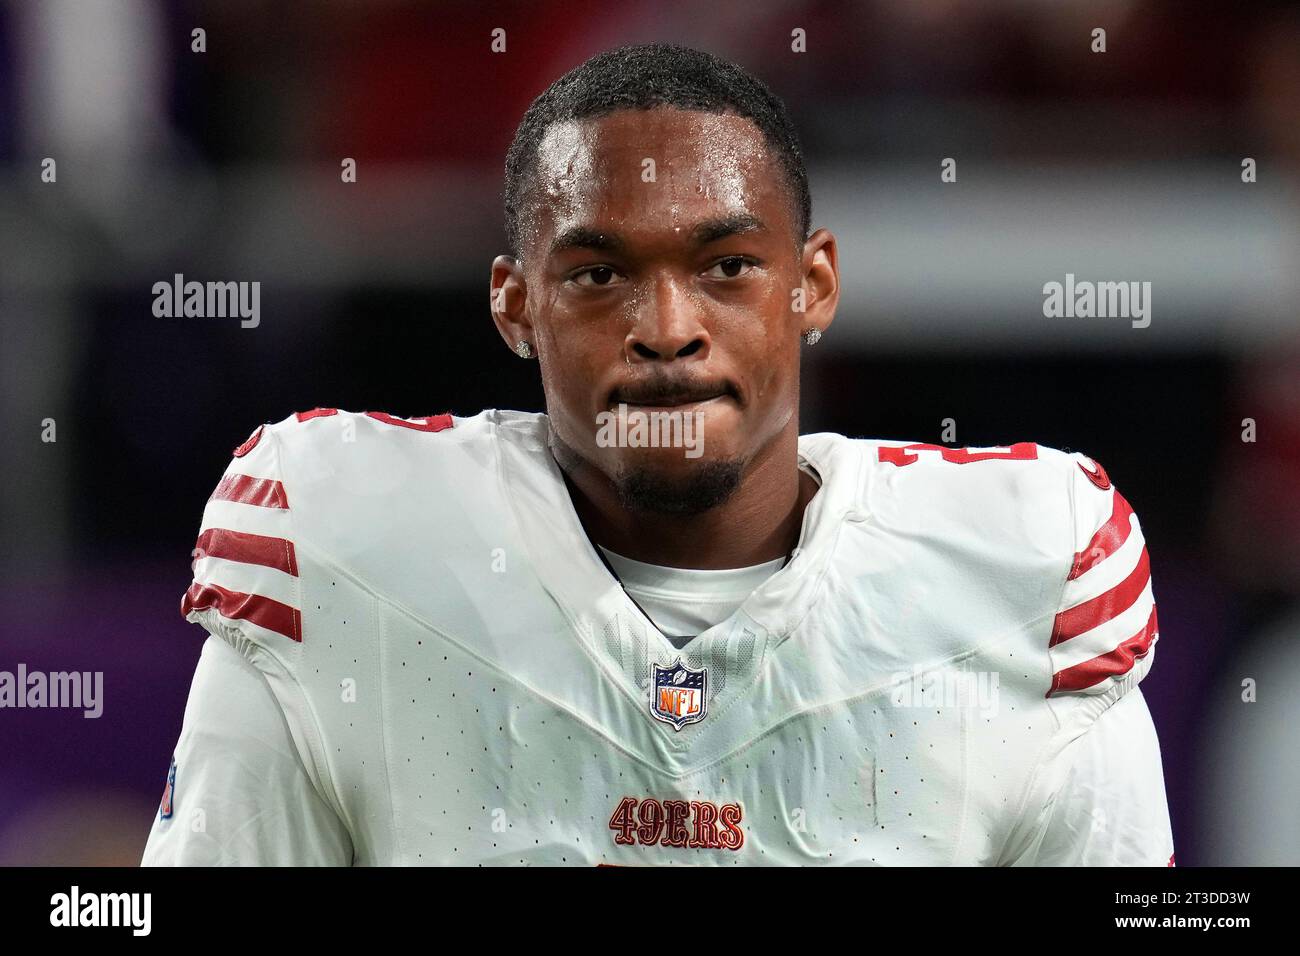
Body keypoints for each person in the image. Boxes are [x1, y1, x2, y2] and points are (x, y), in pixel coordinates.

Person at [143, 43, 1172, 866]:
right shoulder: (340, 552)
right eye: (598, 274)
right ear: (514, 304)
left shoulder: (1029, 579)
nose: (667, 326)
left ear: (810, 285)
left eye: (727, 264)